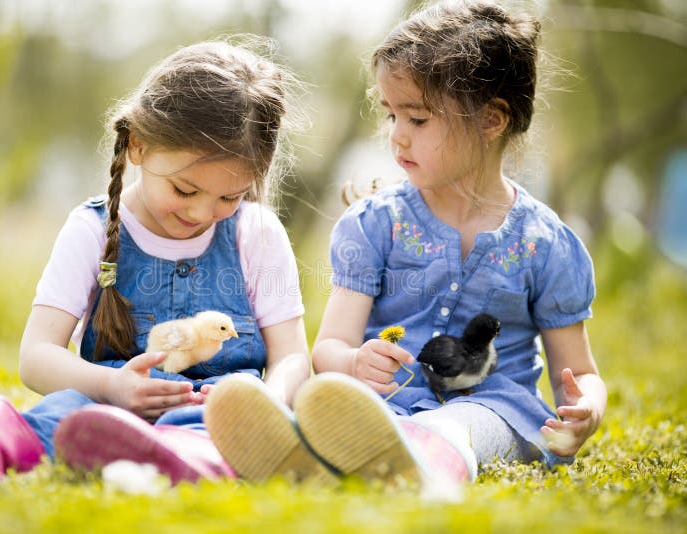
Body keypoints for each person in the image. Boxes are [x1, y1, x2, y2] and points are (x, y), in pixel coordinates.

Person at [205, 0, 606, 488]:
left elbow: (579, 371)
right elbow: (330, 347)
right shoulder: (376, 225)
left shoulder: (545, 244)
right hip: (384, 406)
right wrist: (353, 363)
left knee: (459, 426)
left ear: (491, 121)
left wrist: (588, 406)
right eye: (391, 114)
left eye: (416, 119)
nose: (397, 136)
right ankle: (300, 452)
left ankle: (420, 468)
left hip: (494, 412)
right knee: (329, 400)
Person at [0, 38, 311, 483]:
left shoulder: (257, 233)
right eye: (184, 190)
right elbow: (36, 356)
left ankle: (178, 460)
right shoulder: (92, 229)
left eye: (229, 196)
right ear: (138, 146)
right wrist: (111, 386)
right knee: (62, 412)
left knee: (215, 429)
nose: (199, 213)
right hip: (105, 403)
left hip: (218, 413)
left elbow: (292, 356)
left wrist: (268, 402)